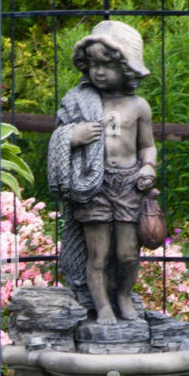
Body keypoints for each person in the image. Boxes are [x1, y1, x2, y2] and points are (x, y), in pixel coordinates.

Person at [46, 20, 157, 323]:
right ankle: (102, 305)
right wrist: (72, 136)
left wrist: (148, 167)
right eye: (93, 64)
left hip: (128, 184)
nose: (99, 71)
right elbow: (59, 136)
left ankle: (122, 296)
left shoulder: (138, 107)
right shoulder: (78, 102)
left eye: (107, 65)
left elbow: (147, 146)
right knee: (98, 254)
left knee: (127, 253)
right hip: (91, 185)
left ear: (128, 67)